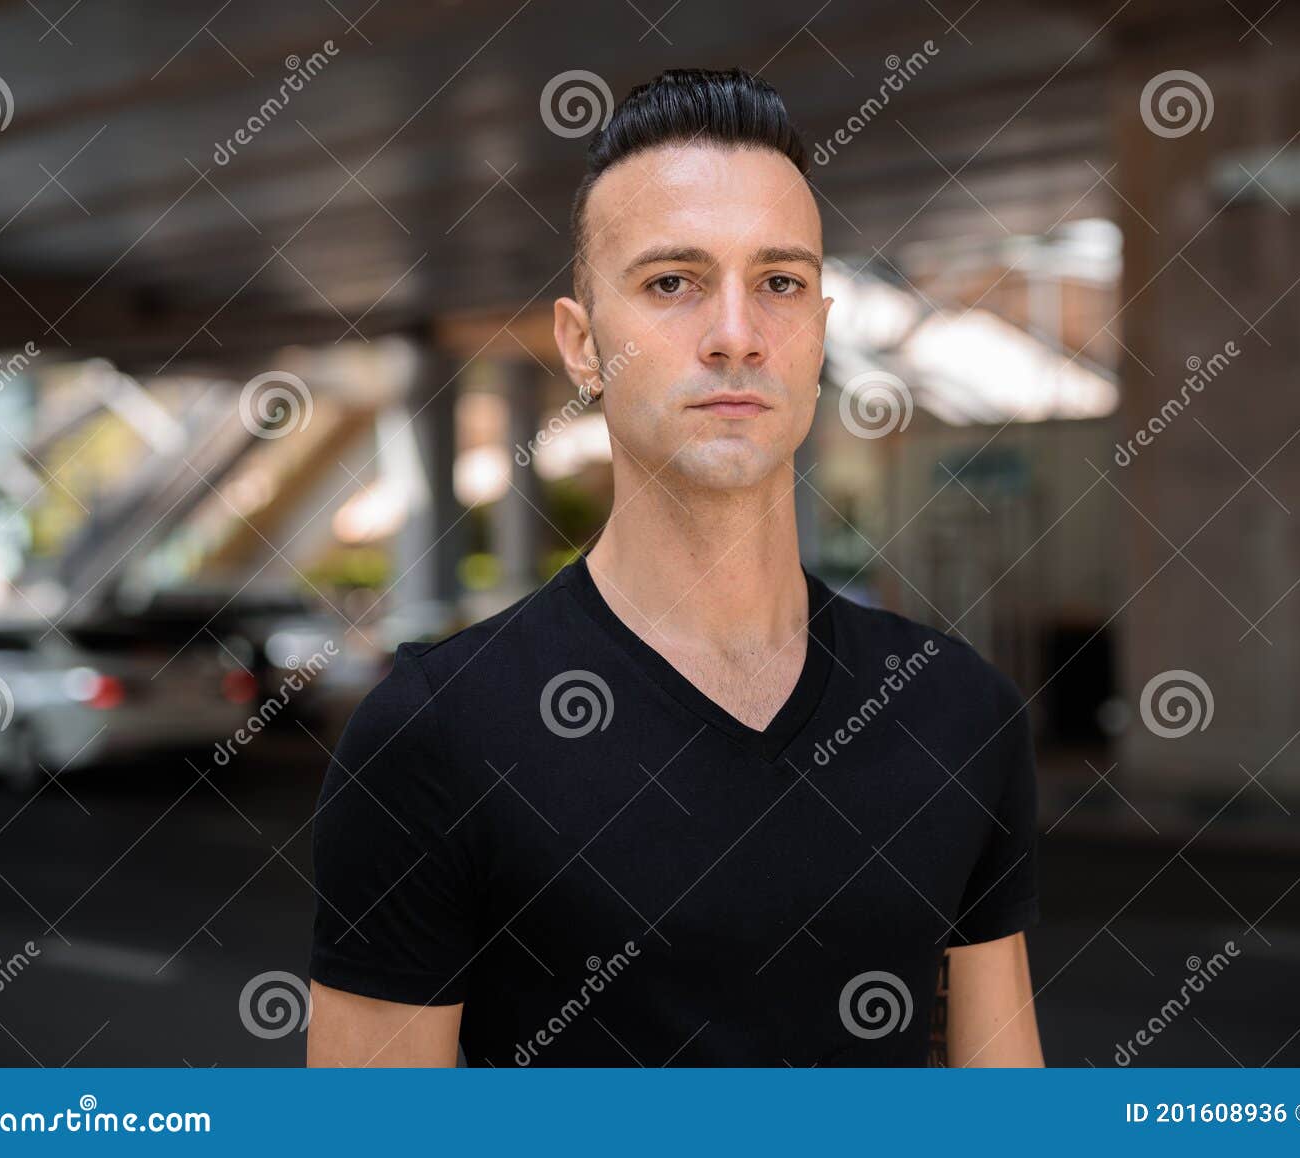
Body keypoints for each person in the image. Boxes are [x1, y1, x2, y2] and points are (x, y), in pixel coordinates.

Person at [306, 67, 1042, 1067]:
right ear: (581, 345)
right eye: (671, 284)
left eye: (779, 284)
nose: (736, 335)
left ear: (818, 331)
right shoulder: (436, 734)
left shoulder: (959, 710)